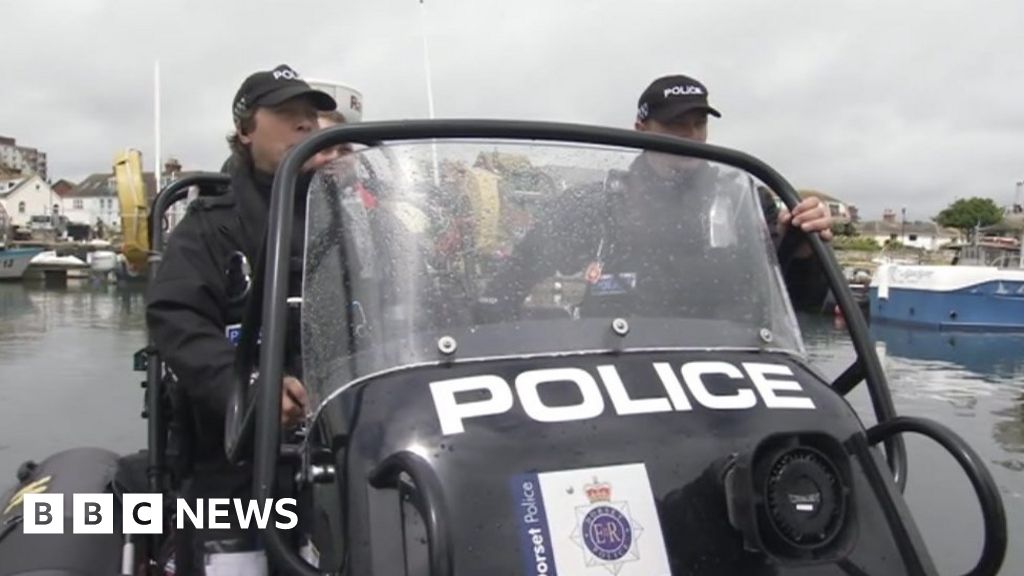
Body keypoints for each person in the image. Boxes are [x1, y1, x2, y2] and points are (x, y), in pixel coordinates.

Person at [145, 63, 337, 574]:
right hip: (234, 453)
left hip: (342, 441)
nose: (304, 124)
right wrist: (249, 386)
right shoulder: (209, 226)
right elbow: (174, 318)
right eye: (287, 114)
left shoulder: (345, 218)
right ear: (246, 131)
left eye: (310, 116)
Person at [481, 74, 833, 318]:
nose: (690, 136)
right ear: (640, 129)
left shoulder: (746, 202)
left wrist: (802, 252)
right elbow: (511, 281)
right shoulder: (597, 202)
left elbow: (802, 303)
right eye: (674, 125)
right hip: (618, 367)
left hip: (733, 365)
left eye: (699, 124)